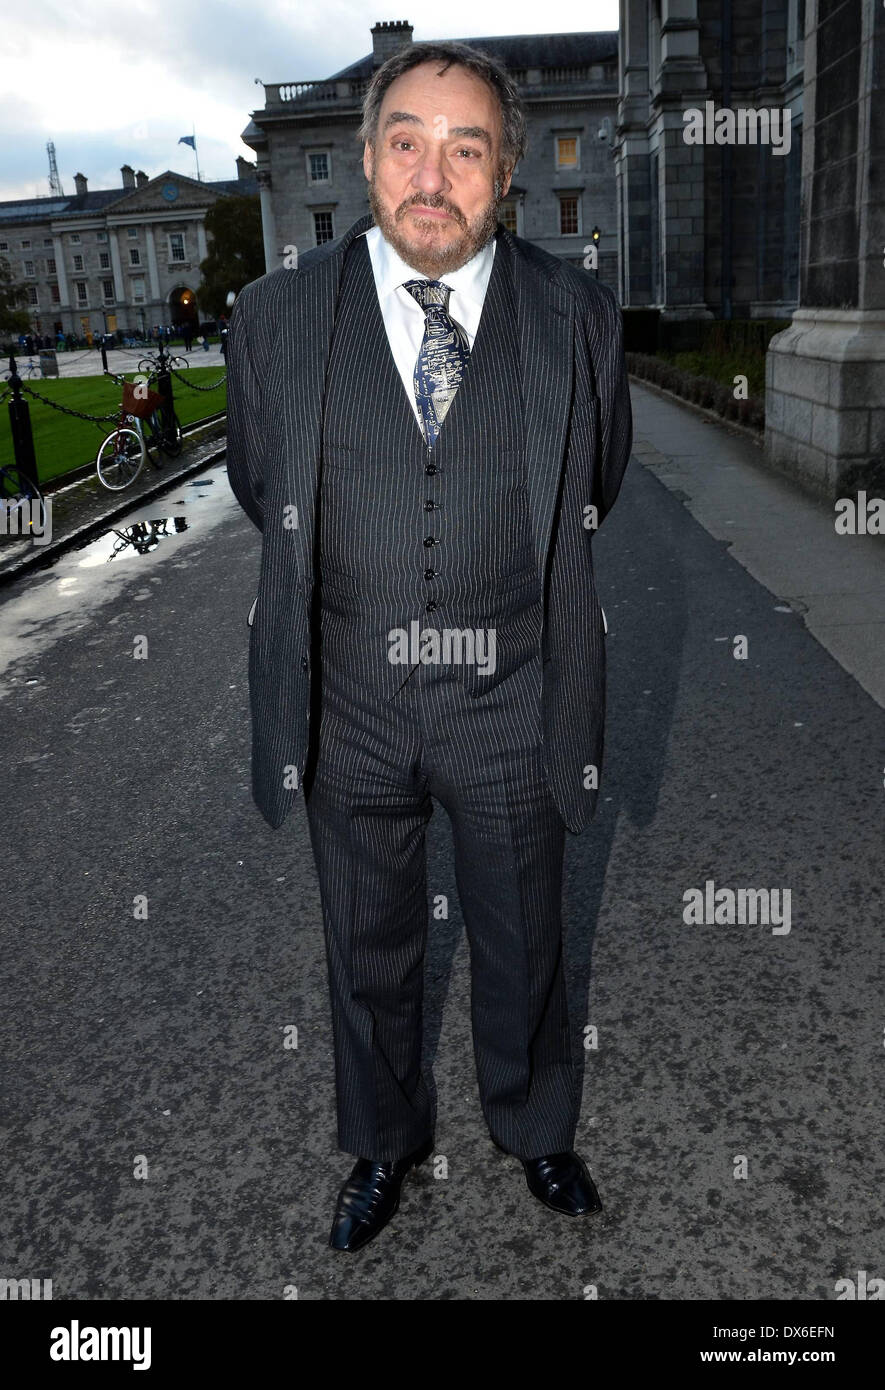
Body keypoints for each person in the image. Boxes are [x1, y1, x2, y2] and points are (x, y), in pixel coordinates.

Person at [226, 40, 632, 1254]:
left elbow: (594, 480)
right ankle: (382, 1142)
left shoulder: (576, 318)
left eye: (467, 149)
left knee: (525, 933)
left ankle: (534, 1123)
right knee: (368, 943)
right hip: (346, 694)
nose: (432, 175)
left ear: (506, 173)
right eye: (407, 141)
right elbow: (262, 485)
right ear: (365, 158)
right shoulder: (276, 318)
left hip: (514, 689)